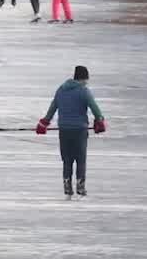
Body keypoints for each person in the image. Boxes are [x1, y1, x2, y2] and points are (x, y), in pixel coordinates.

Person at [36, 65, 107, 198]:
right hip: (80, 130)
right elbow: (95, 109)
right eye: (86, 79)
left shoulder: (61, 90)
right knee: (80, 159)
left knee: (67, 160)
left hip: (64, 130)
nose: (87, 82)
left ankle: (67, 185)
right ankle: (80, 186)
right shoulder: (84, 91)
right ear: (83, 78)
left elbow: (52, 108)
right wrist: (100, 121)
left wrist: (44, 123)